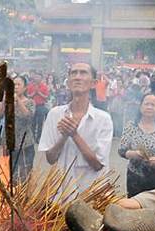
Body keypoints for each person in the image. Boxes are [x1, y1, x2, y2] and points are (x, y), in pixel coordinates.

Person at [38, 62, 113, 195]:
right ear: (68, 82)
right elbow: (50, 159)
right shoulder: (55, 114)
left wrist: (74, 135)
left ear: (94, 83)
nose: (77, 77)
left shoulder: (103, 119)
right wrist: (64, 136)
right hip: (60, 195)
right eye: (74, 73)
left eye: (83, 73)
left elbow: (98, 165)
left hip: (90, 196)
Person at [118, 93, 155, 197]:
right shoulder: (131, 126)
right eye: (146, 104)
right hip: (135, 177)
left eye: (153, 104)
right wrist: (134, 154)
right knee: (134, 208)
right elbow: (122, 150)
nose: (149, 107)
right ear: (140, 107)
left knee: (154, 209)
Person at [27, 71, 49, 142]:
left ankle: (38, 138)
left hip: (41, 106)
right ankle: (32, 137)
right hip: (32, 106)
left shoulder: (44, 86)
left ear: (41, 78)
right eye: (36, 76)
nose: (37, 78)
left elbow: (46, 97)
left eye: (38, 77)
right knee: (32, 122)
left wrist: (39, 92)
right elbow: (28, 96)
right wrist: (34, 93)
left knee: (40, 123)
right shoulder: (30, 85)